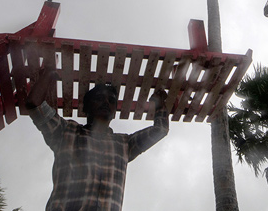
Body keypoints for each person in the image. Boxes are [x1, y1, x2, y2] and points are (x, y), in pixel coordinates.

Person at [23, 67, 169, 211]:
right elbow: (35, 104)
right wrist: (47, 74)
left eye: (111, 100)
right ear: (86, 107)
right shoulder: (65, 132)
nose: (106, 102)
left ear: (114, 112)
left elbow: (160, 130)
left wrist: (159, 104)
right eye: (99, 98)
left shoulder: (124, 144)